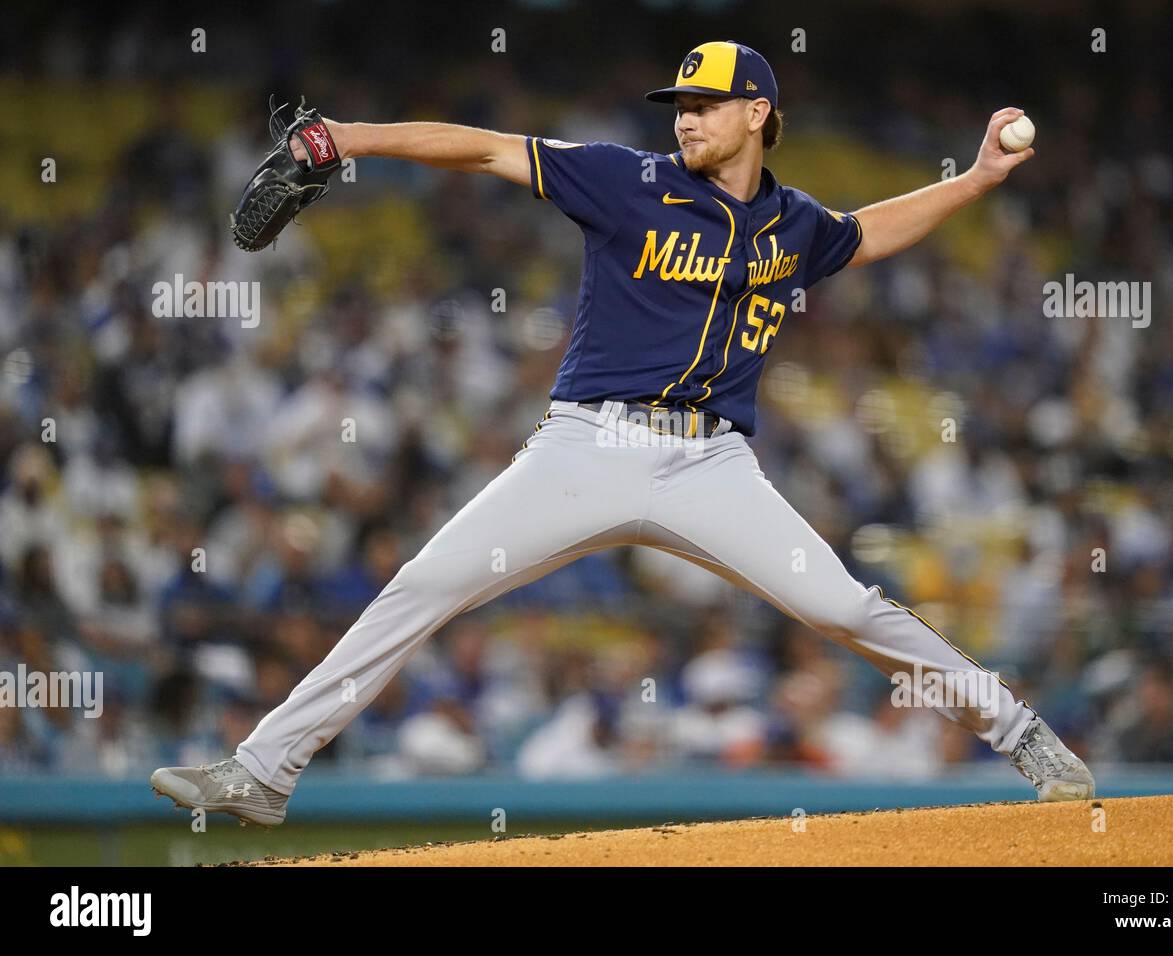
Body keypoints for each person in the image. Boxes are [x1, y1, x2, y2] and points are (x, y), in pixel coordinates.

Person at [151, 40, 1093, 827]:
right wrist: (348, 138)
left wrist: (974, 182)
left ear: (758, 112)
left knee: (846, 609)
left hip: (712, 464)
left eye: (706, 104)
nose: (685, 118)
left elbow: (866, 231)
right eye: (679, 104)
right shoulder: (623, 181)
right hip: (585, 450)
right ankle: (264, 772)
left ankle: (1024, 737)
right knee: (424, 585)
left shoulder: (792, 223)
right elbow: (482, 150)